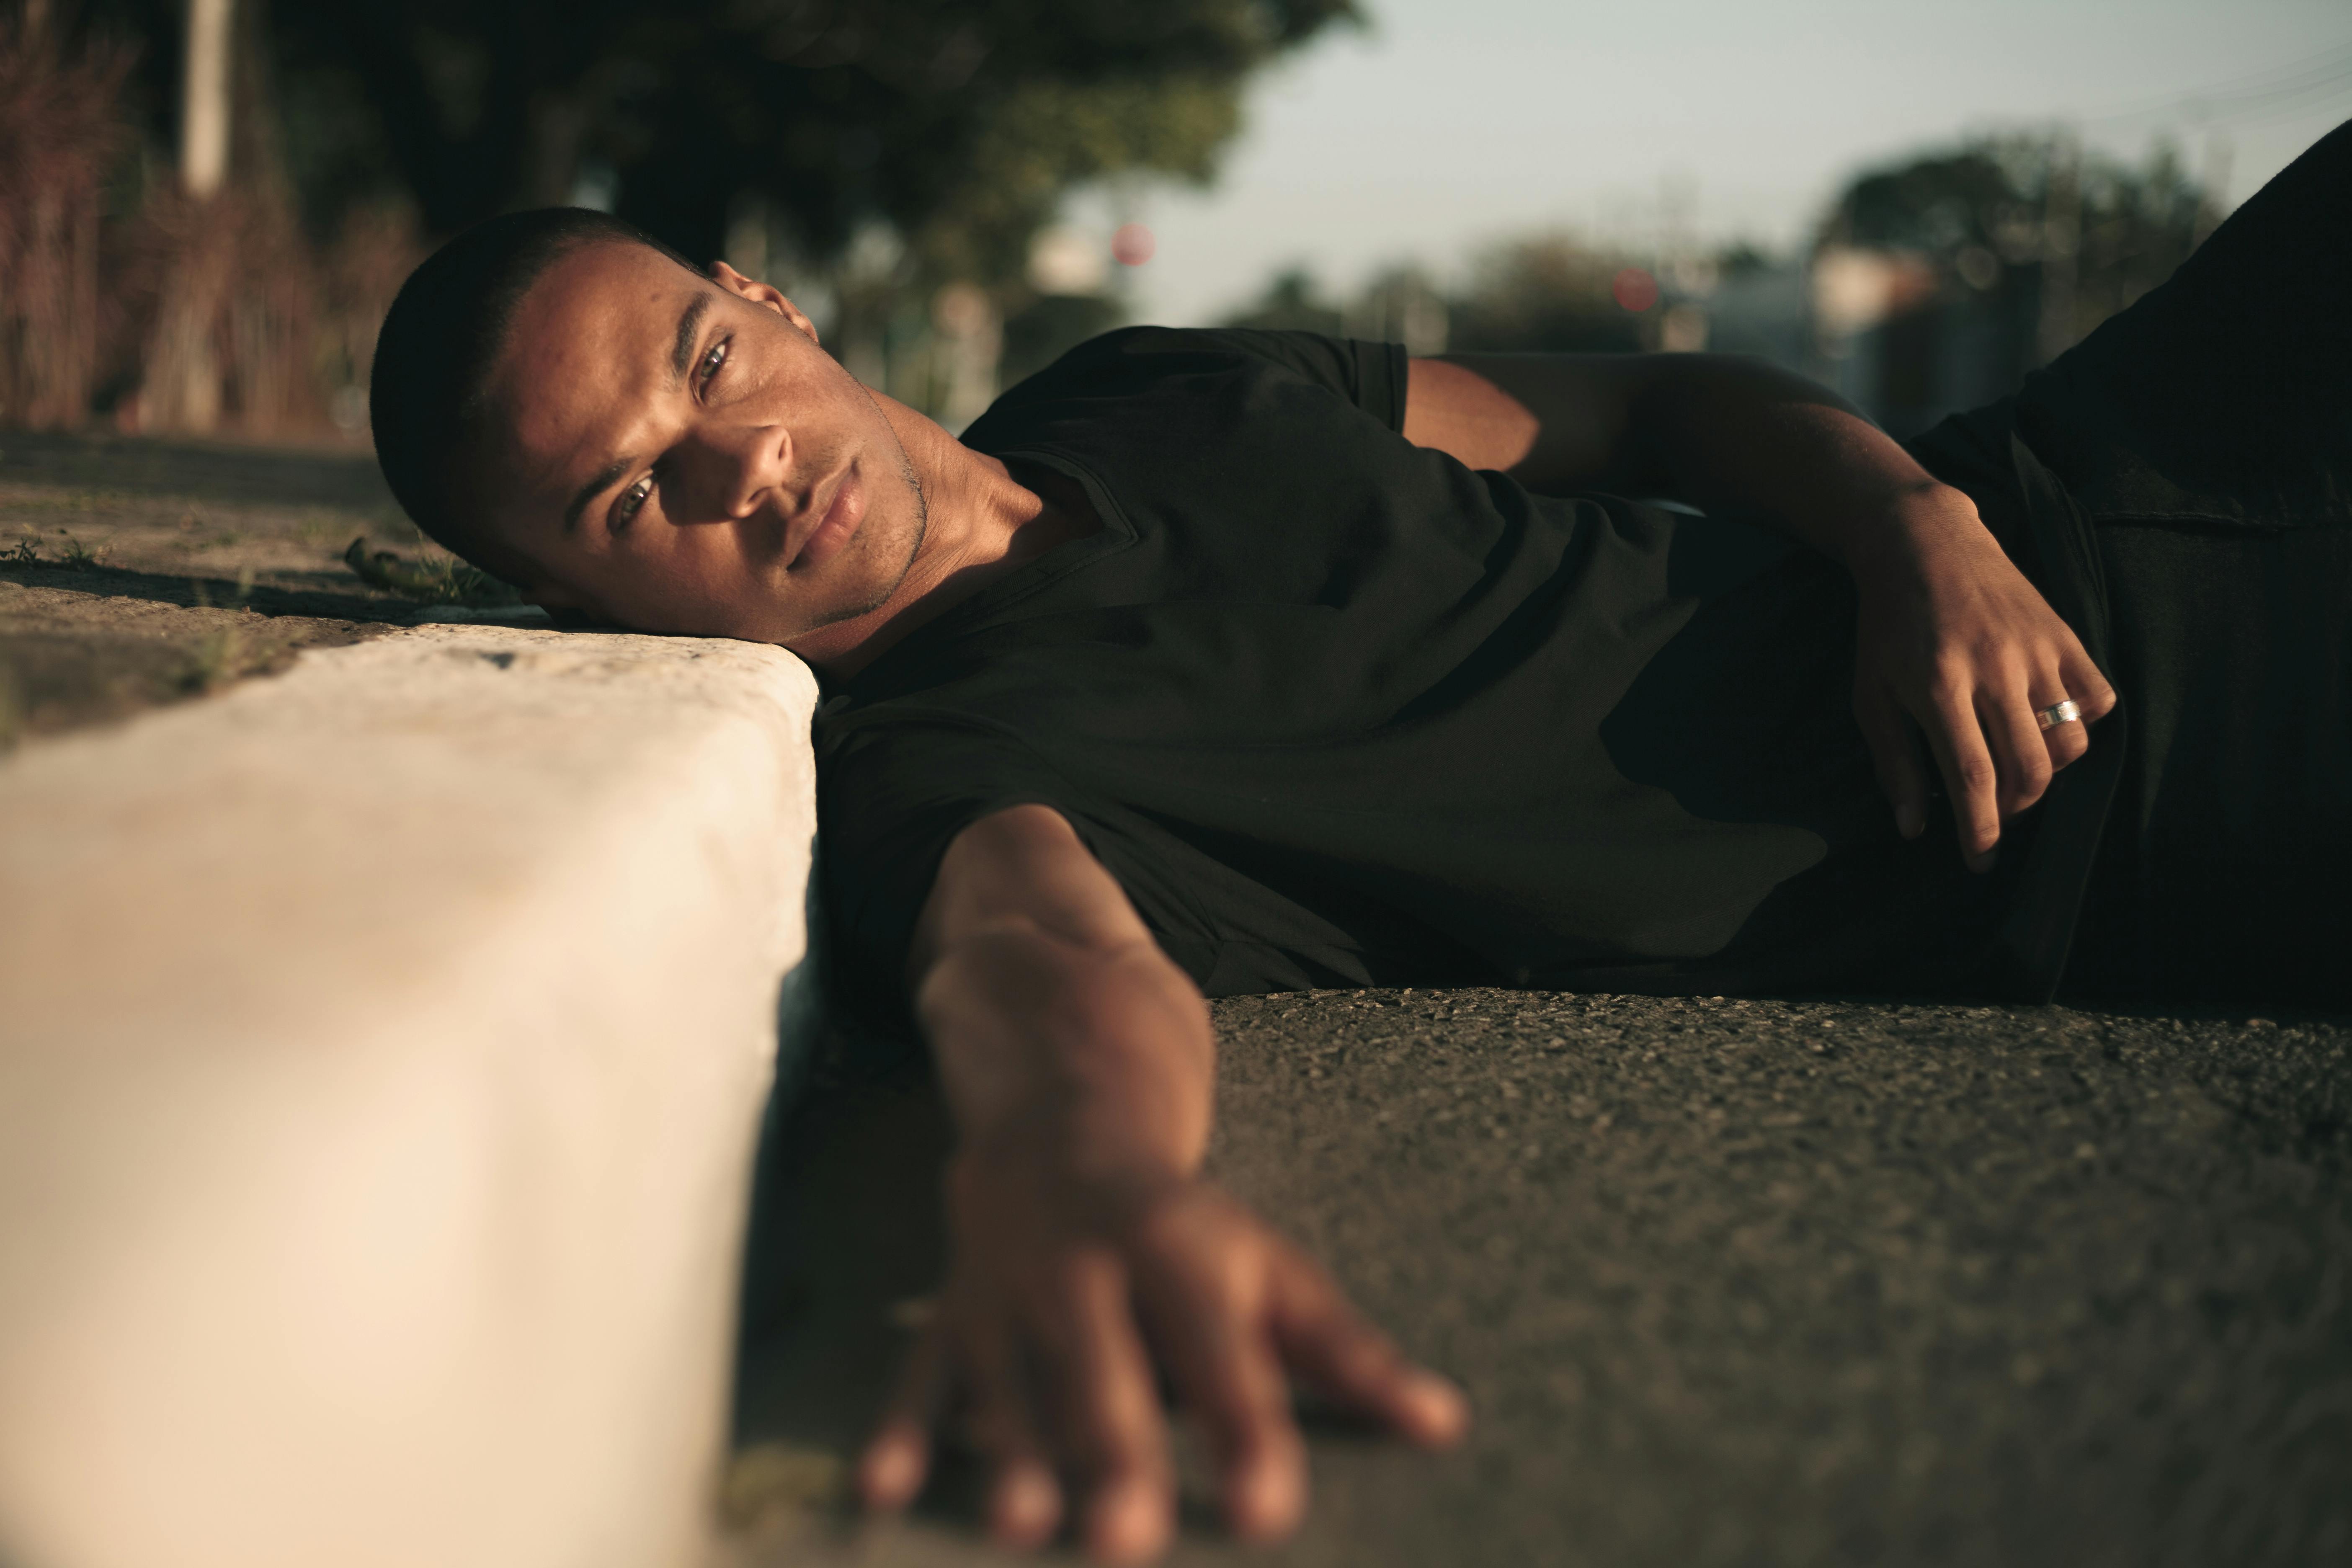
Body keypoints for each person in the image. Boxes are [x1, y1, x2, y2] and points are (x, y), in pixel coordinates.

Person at [368, 121, 2349, 1565]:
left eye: (707, 370)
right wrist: (1078, 1168)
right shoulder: (932, 762)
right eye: (631, 500)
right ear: (584, 608)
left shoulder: (1156, 385)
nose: (744, 465)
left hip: (2077, 471)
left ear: (765, 306)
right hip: (2126, 795)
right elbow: (1044, 962)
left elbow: (1661, 412)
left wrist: (1917, 526)